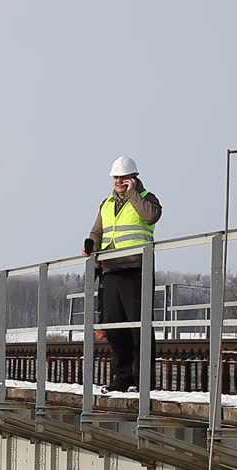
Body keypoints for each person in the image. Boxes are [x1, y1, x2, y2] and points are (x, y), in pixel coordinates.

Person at [82, 155, 162, 392]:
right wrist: (90, 244)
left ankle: (143, 382)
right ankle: (122, 379)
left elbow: (150, 216)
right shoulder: (106, 203)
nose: (119, 181)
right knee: (114, 329)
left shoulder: (147, 199)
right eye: (116, 177)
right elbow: (97, 230)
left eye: (124, 177)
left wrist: (133, 194)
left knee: (139, 328)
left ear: (134, 178)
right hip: (111, 269)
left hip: (136, 268)